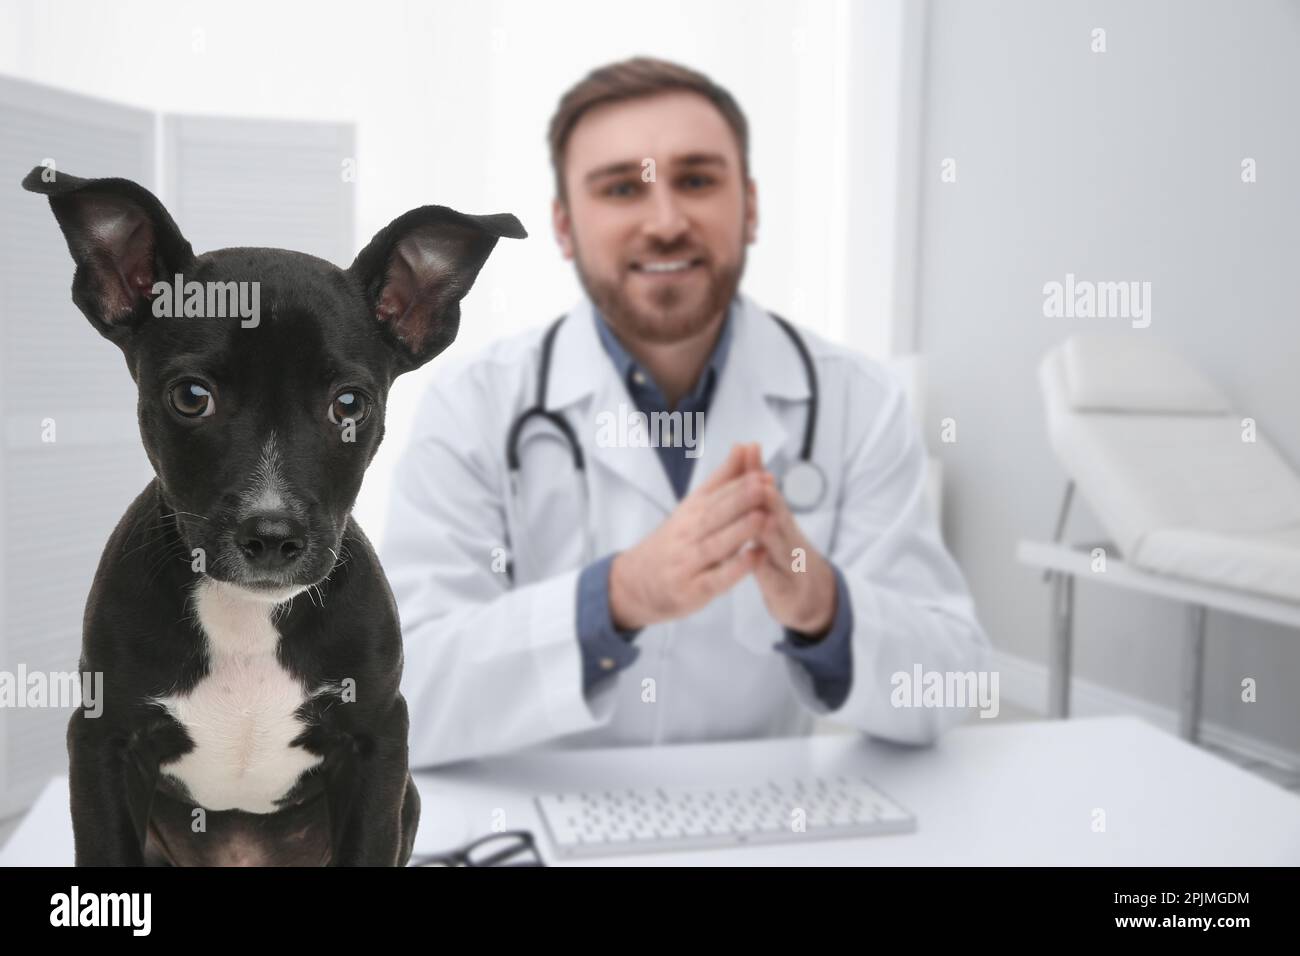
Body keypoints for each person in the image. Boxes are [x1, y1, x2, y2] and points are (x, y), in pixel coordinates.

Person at [380, 56, 990, 768]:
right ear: (565, 226)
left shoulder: (859, 401)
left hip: (762, 825)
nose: (666, 222)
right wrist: (618, 596)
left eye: (697, 180)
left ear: (751, 207)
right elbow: (406, 694)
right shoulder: (474, 406)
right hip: (538, 821)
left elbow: (950, 682)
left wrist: (825, 608)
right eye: (619, 189)